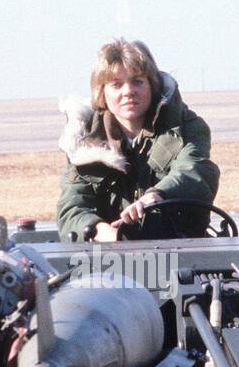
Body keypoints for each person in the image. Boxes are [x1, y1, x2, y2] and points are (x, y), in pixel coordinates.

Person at [56, 38, 219, 243]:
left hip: (179, 251)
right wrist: (101, 231)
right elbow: (72, 206)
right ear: (102, 92)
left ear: (152, 85)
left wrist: (158, 195)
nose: (128, 91)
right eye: (116, 84)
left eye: (137, 81)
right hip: (110, 262)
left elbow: (194, 170)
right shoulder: (83, 143)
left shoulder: (187, 127)